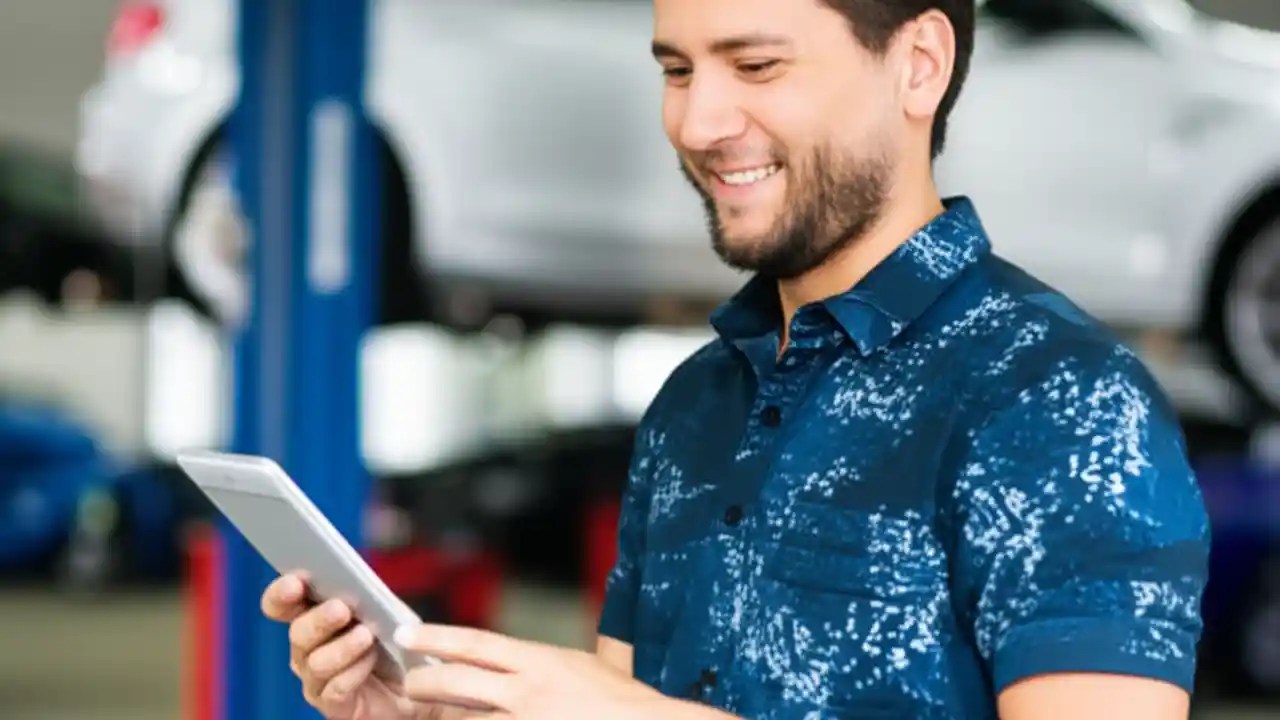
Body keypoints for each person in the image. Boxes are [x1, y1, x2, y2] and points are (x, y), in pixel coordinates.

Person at [261, 0, 1212, 717]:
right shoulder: (696, 405)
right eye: (678, 71)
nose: (698, 122)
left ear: (917, 65)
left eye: (755, 65)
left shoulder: (1061, 403)